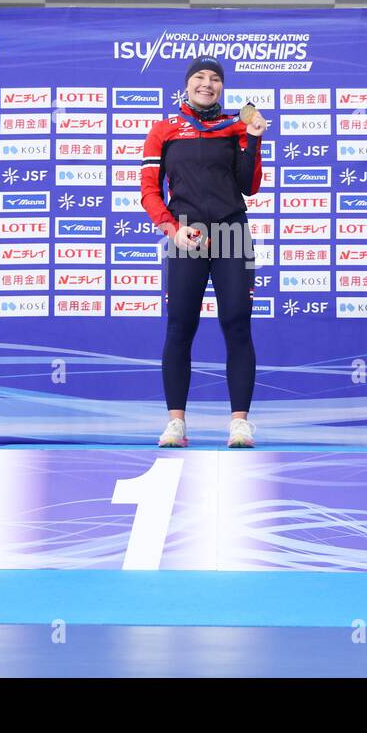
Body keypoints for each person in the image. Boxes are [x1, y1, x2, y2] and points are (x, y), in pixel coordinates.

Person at [140, 56, 265, 448]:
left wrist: (255, 138)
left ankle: (240, 424)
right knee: (180, 327)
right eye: (199, 77)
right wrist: (171, 230)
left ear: (222, 87)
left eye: (214, 78)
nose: (207, 83)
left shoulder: (236, 127)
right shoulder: (164, 130)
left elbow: (249, 185)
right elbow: (148, 189)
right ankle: (176, 424)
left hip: (232, 231)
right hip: (186, 235)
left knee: (237, 324)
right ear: (187, 84)